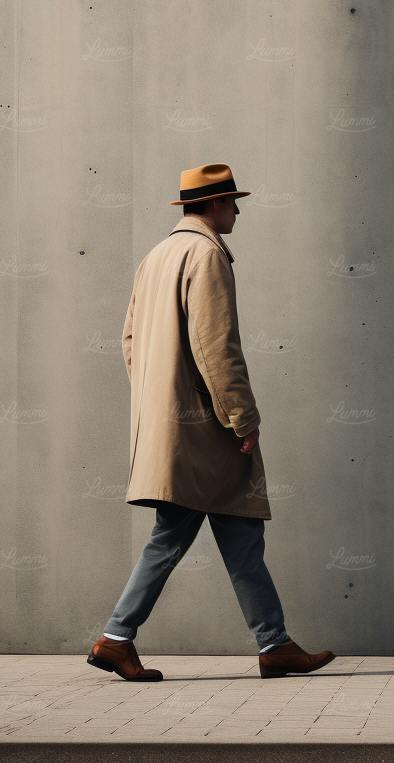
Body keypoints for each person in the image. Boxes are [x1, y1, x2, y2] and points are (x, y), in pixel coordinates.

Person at [87, 162, 335, 682]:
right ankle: (117, 637)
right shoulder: (206, 255)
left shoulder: (156, 256)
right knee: (182, 531)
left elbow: (129, 341)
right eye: (233, 202)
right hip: (204, 428)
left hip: (173, 424)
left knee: (236, 528)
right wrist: (243, 417)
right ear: (216, 204)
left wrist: (159, 394)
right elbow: (216, 348)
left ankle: (274, 643)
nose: (238, 211)